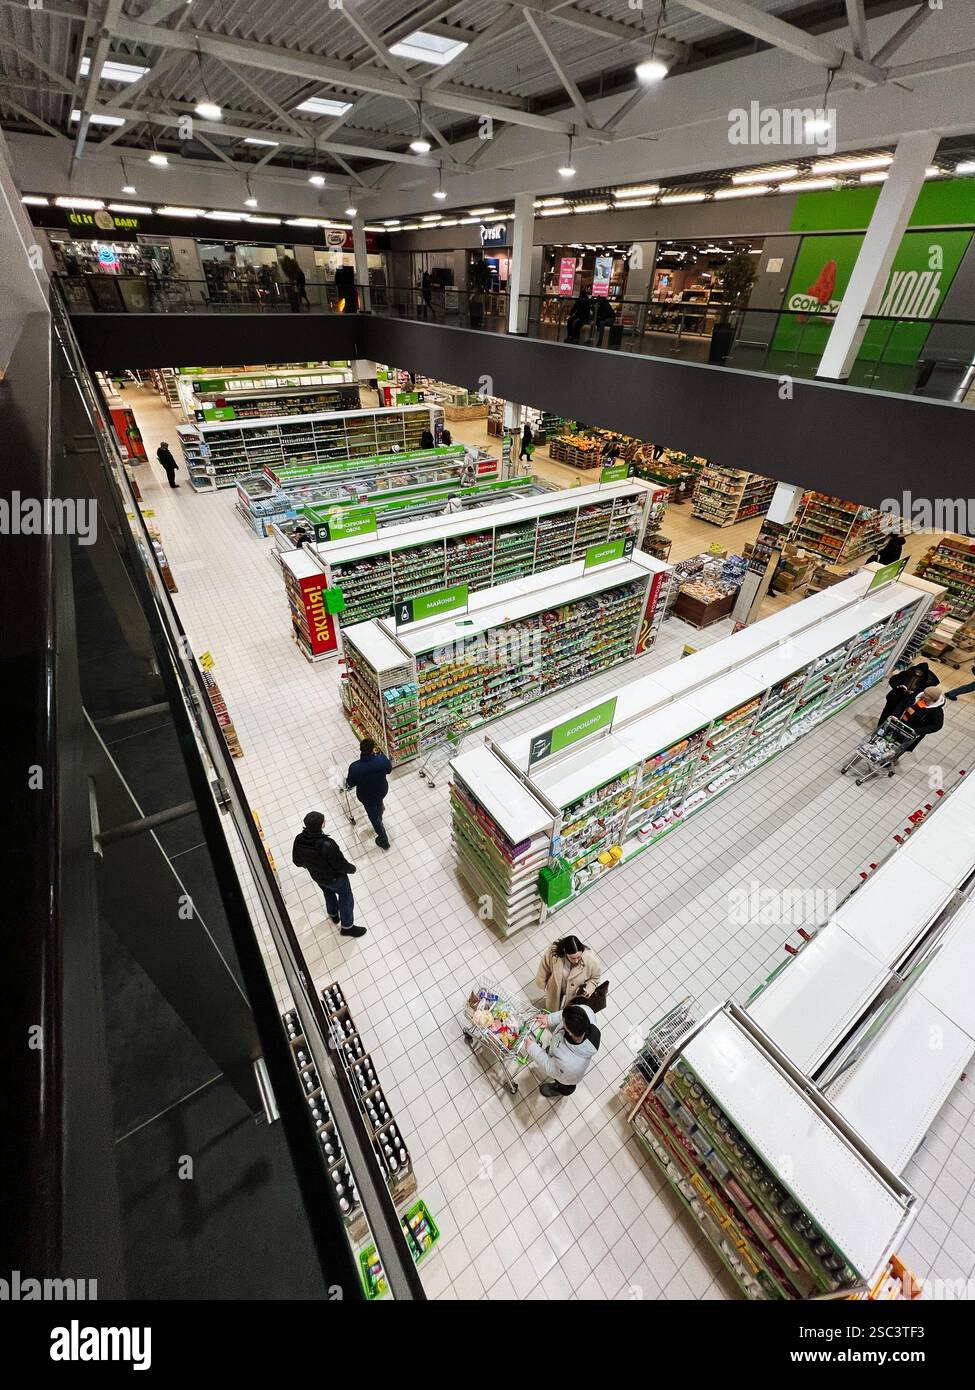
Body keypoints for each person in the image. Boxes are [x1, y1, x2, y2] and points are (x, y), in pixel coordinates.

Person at [291, 811, 365, 937]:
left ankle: (333, 915)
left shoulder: (299, 839)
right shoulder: (327, 844)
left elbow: (297, 861)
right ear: (320, 826)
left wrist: (311, 866)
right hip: (335, 879)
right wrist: (351, 869)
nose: (325, 822)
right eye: (323, 821)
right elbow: (340, 865)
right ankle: (347, 927)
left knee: (328, 892)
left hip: (317, 877)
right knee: (345, 897)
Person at [524, 1002, 600, 1099]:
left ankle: (558, 1090)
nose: (561, 1021)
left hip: (568, 1076)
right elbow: (564, 1015)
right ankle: (552, 1053)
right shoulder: (586, 1012)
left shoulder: (568, 1063)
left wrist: (532, 1048)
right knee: (552, 1055)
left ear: (569, 1031)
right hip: (559, 1056)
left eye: (563, 1023)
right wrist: (549, 1019)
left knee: (565, 1085)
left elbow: (549, 1067)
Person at [534, 935, 603, 1012]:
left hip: (574, 995)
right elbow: (544, 967)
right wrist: (543, 984)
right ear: (565, 951)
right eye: (573, 958)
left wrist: (587, 989)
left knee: (568, 1014)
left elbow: (595, 978)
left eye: (579, 957)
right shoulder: (554, 953)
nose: (576, 961)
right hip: (556, 988)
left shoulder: (592, 962)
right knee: (552, 1006)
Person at [346, 738, 393, 849]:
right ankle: (380, 812)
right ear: (373, 749)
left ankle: (383, 839)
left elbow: (350, 783)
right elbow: (389, 770)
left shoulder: (355, 767)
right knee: (379, 804)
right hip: (381, 790)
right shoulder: (382, 760)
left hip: (366, 796)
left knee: (373, 817)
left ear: (361, 749)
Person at [876, 661, 938, 730]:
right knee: (887, 712)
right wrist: (898, 686)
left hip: (907, 702)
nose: (918, 672)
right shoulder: (907, 673)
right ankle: (880, 726)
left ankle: (888, 729)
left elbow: (922, 692)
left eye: (921, 672)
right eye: (917, 670)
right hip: (895, 697)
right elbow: (893, 680)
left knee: (897, 716)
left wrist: (914, 693)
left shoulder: (925, 682)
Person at [895, 686, 947, 751]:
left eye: (926, 695)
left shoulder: (936, 711)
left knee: (899, 748)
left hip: (910, 732)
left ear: (933, 699)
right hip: (899, 723)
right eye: (924, 693)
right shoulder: (917, 697)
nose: (923, 695)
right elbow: (902, 704)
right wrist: (895, 716)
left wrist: (917, 731)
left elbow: (937, 726)